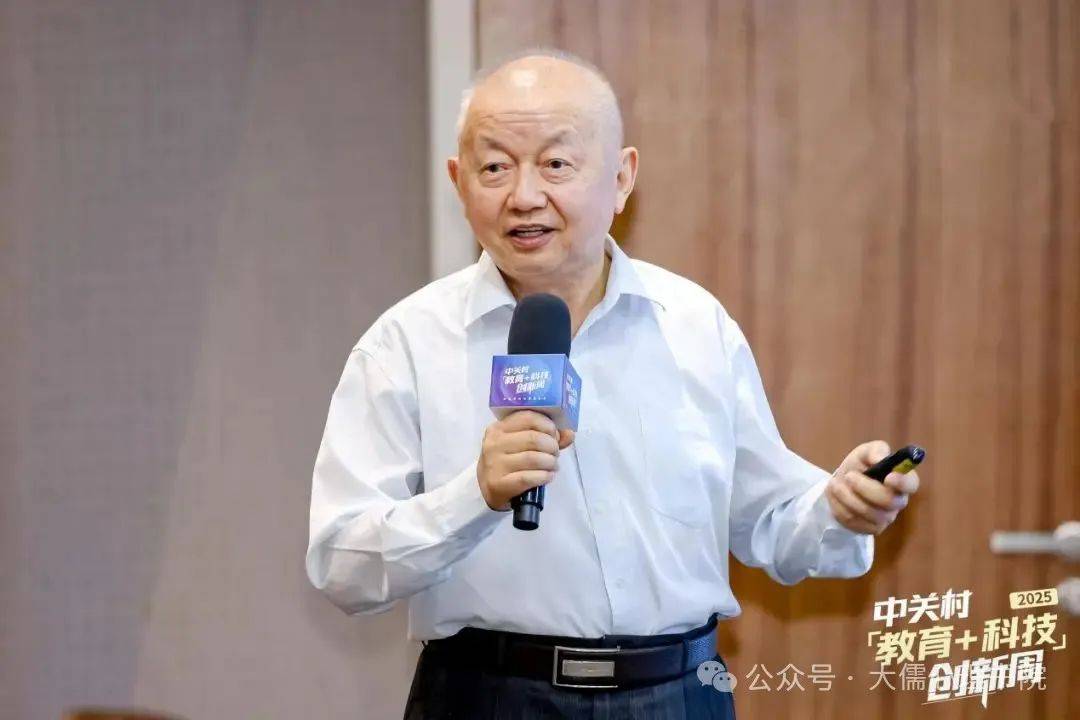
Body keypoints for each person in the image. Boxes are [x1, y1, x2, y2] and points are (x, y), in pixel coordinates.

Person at [305, 50, 920, 719]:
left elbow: (771, 521)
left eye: (555, 164)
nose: (524, 196)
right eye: (495, 167)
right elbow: (343, 565)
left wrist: (839, 507)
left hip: (678, 694)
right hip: (488, 695)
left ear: (622, 178)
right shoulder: (406, 343)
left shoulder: (694, 325)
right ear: (459, 182)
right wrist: (472, 496)